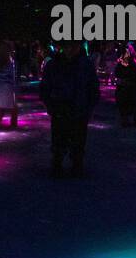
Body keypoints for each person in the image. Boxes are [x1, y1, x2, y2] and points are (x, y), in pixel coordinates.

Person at [39, 41, 99, 177]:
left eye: (74, 46)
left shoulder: (86, 65)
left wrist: (89, 107)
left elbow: (93, 88)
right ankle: (58, 164)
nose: (70, 50)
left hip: (79, 109)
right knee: (59, 140)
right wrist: (50, 105)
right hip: (61, 109)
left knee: (78, 141)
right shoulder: (54, 65)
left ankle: (76, 165)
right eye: (68, 46)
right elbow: (45, 88)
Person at [0, 41, 20, 129]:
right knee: (13, 107)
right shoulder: (11, 61)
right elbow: (13, 77)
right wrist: (15, 89)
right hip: (7, 87)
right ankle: (13, 125)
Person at [113, 44, 136, 126]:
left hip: (134, 86)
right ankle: (126, 120)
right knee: (124, 104)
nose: (128, 51)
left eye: (130, 49)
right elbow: (117, 72)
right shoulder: (122, 61)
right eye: (127, 49)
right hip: (125, 86)